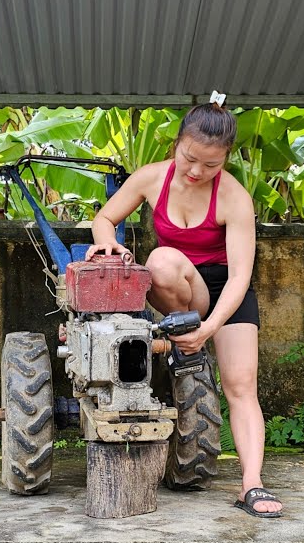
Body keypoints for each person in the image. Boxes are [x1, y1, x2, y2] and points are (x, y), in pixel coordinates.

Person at [85, 93, 283, 520]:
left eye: (211, 165)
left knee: (240, 384)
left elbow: (240, 278)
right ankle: (182, 342)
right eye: (190, 158)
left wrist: (210, 328)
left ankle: (252, 483)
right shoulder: (151, 178)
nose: (197, 171)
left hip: (224, 289)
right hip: (174, 286)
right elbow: (104, 218)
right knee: (162, 260)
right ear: (176, 144)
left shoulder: (234, 198)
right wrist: (107, 242)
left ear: (226, 159)